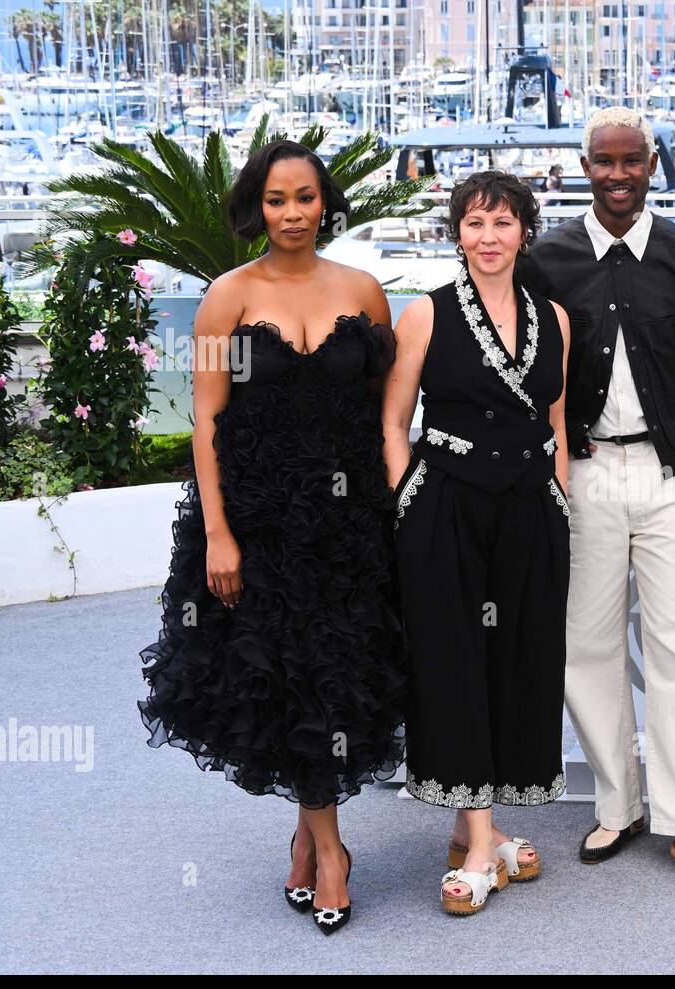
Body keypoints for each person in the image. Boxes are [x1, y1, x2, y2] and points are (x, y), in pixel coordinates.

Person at [138, 139, 408, 935]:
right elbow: (205, 421)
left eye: (305, 198)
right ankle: (332, 854)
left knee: (333, 675)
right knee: (288, 677)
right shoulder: (224, 297)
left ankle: (306, 834)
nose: (292, 213)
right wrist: (218, 531)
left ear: (326, 203)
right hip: (255, 524)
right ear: (257, 205)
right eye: (276, 199)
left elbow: (383, 410)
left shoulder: (365, 291)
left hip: (349, 522)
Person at [517, 107, 675, 898]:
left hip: (671, 472)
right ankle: (619, 803)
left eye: (630, 161)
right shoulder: (547, 260)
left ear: (650, 165)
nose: (616, 175)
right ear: (584, 166)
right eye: (602, 162)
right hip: (587, 472)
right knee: (587, 645)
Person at [383, 170, 571, 916]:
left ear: (525, 230)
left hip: (530, 510)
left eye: (502, 223)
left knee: (520, 661)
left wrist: (558, 501)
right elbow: (393, 420)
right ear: (455, 233)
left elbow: (555, 420)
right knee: (453, 663)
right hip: (447, 507)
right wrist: (407, 503)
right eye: (473, 223)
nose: (487, 238)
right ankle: (485, 843)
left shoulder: (555, 317)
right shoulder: (424, 316)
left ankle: (477, 833)